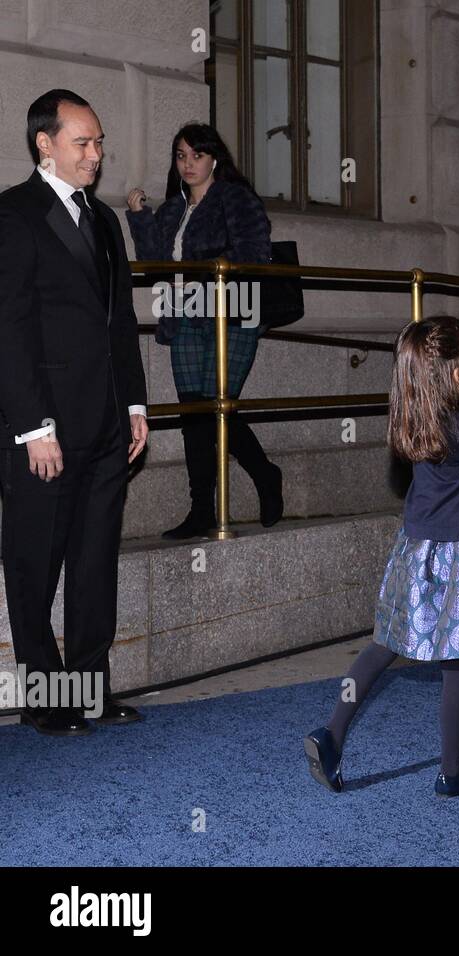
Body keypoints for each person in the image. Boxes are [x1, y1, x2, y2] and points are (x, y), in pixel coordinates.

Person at [304, 316, 459, 796]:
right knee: (458, 661)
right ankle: (452, 772)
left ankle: (331, 732)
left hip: (417, 547)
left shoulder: (421, 412)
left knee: (385, 644)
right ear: (456, 371)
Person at [0, 89, 149, 735]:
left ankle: (88, 688)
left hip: (107, 423)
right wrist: (34, 428)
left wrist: (137, 404)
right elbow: (9, 327)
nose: (97, 154)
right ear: (46, 144)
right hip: (44, 428)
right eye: (83, 143)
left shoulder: (105, 220)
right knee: (34, 563)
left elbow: (121, 322)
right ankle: (44, 697)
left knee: (94, 562)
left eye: (99, 142)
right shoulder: (14, 215)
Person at [126, 123, 283, 539]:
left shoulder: (234, 198)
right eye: (181, 155)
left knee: (218, 405)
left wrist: (198, 278)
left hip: (231, 311)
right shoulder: (174, 209)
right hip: (184, 315)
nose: (188, 164)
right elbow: (154, 261)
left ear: (215, 157)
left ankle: (265, 475)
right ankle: (201, 510)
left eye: (197, 155)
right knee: (194, 413)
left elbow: (254, 253)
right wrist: (141, 218)